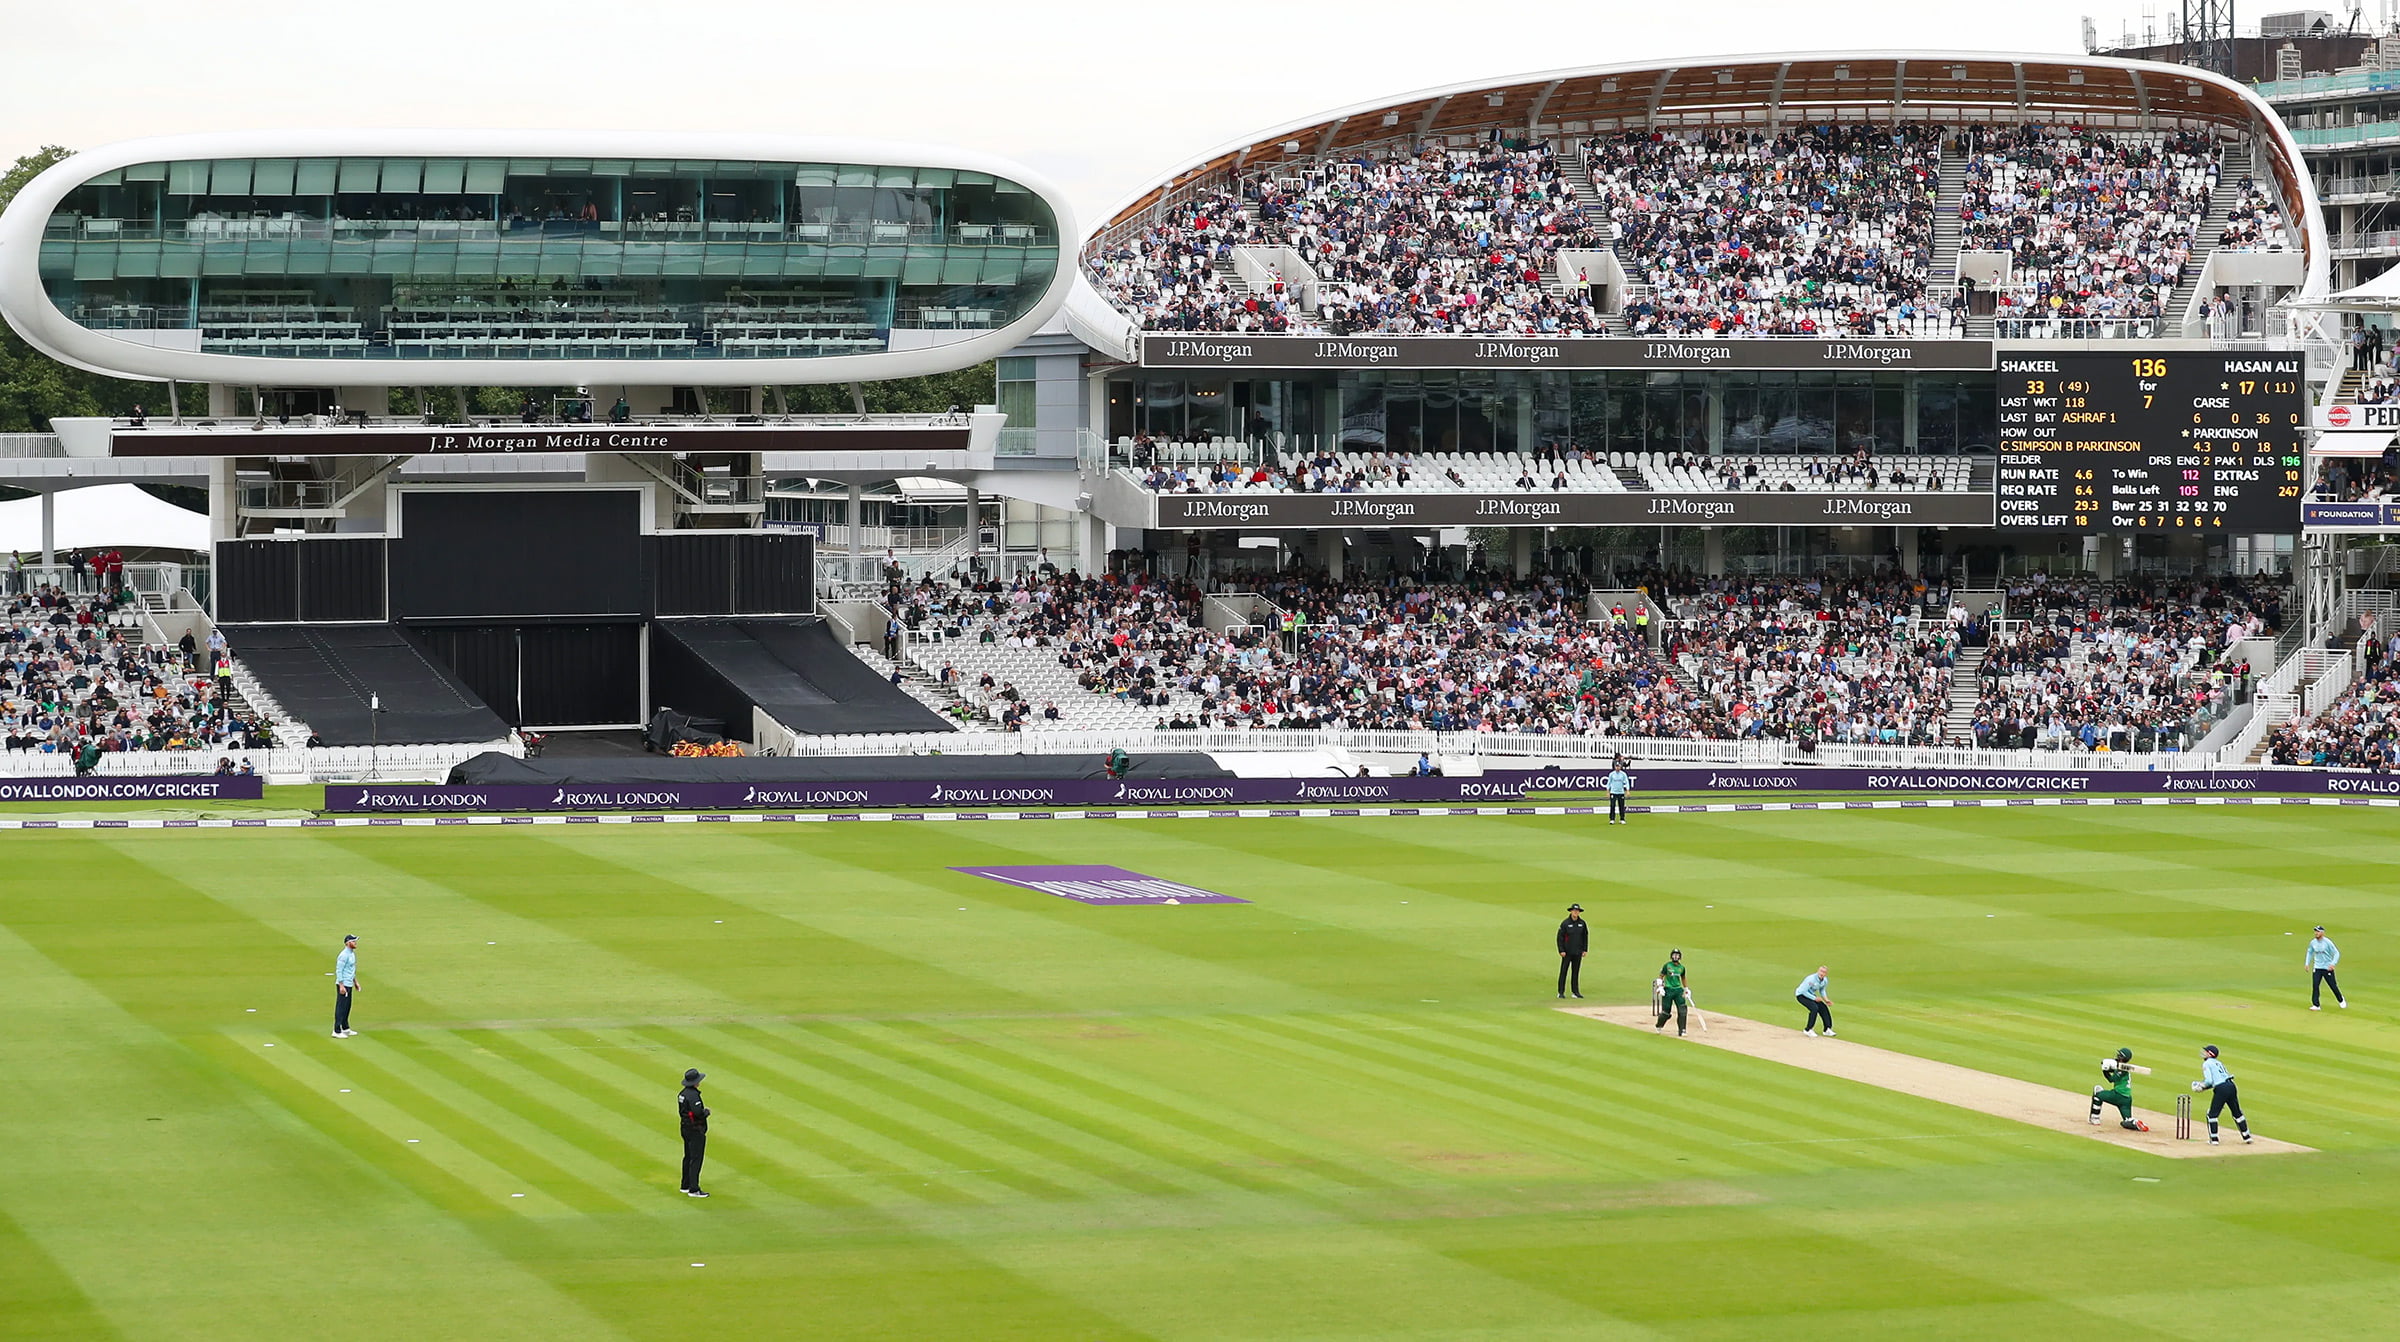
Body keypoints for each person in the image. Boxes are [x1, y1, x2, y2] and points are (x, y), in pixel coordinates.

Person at [2189, 1044, 2253, 1145]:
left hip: (2221, 1089)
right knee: (2237, 1113)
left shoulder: (2207, 1064)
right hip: (2231, 1086)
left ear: (2210, 1054)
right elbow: (2218, 1080)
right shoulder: (2219, 1062)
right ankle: (2247, 1136)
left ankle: (2214, 1140)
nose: (2204, 1053)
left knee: (2212, 1114)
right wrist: (2204, 1087)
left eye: (2206, 1052)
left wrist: (2201, 1086)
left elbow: (2210, 1081)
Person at [2088, 1047, 2144, 1131]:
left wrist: (2105, 1071)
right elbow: (2115, 1071)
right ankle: (2135, 1123)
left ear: (2122, 1058)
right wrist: (2107, 1067)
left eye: (2119, 1055)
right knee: (2126, 1121)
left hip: (2118, 1095)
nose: (2117, 1056)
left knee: (2098, 1093)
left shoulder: (2121, 1069)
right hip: (2127, 1099)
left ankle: (2094, 1118)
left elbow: (2111, 1079)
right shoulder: (2123, 1068)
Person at [678, 1068, 711, 1197]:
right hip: (695, 1130)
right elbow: (698, 1113)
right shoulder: (693, 1095)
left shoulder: (682, 1093)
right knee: (696, 1158)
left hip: (685, 1128)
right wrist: (706, 1112)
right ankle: (694, 1189)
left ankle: (685, 1185)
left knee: (688, 1156)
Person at [2306, 925, 2346, 1010]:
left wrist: (2333, 964)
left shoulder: (2327, 942)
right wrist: (2307, 963)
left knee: (2333, 986)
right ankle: (2316, 1005)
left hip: (2327, 967)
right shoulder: (2313, 942)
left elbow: (2336, 953)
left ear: (2322, 933)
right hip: (2317, 967)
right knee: (2315, 985)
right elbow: (2310, 952)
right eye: (2315, 931)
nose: (2316, 933)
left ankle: (2341, 999)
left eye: (2318, 931)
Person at [1556, 903, 1589, 999]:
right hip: (1567, 952)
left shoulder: (1582, 923)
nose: (1576, 912)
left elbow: (1585, 937)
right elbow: (1560, 938)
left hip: (1578, 952)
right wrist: (1561, 950)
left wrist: (1585, 949)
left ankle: (1575, 992)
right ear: (1571, 911)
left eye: (1577, 911)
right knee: (1564, 972)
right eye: (1574, 911)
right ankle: (1560, 992)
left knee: (1575, 972)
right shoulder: (1565, 923)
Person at [1654, 948, 1689, 1036]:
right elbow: (1661, 976)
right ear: (1671, 956)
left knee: (1682, 1010)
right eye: (1674, 955)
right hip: (1668, 990)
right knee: (1666, 1013)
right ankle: (1659, 1025)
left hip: (1678, 990)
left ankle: (1682, 1030)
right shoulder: (1667, 965)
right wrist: (1660, 987)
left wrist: (1686, 989)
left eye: (1677, 955)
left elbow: (1683, 978)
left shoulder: (1682, 968)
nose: (1675, 957)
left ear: (1680, 957)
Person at [332, 934, 359, 1038]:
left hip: (349, 983)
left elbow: (351, 970)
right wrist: (341, 985)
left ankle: (345, 1027)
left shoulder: (352, 954)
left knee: (347, 1006)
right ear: (348, 943)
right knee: (341, 1007)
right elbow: (339, 970)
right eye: (353, 941)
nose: (355, 943)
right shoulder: (344, 955)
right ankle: (336, 1030)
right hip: (343, 984)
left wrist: (355, 982)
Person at [1795, 965, 1835, 1036]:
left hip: (1811, 995)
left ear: (1826, 974)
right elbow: (1804, 991)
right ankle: (1808, 1029)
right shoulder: (1811, 979)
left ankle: (1827, 1029)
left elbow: (1822, 990)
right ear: (1818, 971)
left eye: (1824, 972)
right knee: (1814, 1008)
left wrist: (1826, 1000)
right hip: (1801, 995)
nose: (1822, 973)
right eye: (1821, 971)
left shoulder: (1825, 980)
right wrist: (1814, 998)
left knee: (1823, 1008)